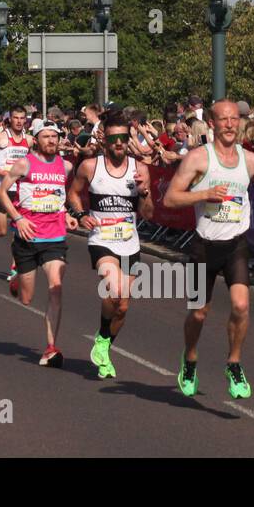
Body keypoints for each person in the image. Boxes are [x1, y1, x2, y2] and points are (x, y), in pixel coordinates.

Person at [163, 100, 254, 400]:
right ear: (212, 124)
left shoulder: (251, 160)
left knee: (241, 306)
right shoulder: (199, 158)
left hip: (236, 244)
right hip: (204, 245)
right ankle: (189, 358)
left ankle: (234, 363)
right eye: (223, 120)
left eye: (234, 119)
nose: (229, 124)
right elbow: (171, 199)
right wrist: (204, 194)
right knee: (199, 313)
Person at [69, 111, 153, 378]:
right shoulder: (90, 167)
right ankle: (103, 340)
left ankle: (103, 342)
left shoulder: (140, 169)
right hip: (102, 239)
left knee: (123, 307)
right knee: (114, 291)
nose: (119, 143)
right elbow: (73, 193)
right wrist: (81, 215)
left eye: (124, 138)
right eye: (114, 138)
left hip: (130, 242)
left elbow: (148, 213)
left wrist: (144, 193)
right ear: (104, 138)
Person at [0, 120, 75, 366]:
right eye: (46, 136)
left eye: (55, 136)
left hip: (55, 237)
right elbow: (1, 192)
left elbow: (60, 196)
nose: (52, 141)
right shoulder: (24, 164)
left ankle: (51, 347)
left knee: (56, 286)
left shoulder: (67, 166)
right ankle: (18, 279)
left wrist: (69, 214)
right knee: (26, 299)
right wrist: (18, 218)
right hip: (27, 237)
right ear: (36, 139)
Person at [0, 106, 32, 294]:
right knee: (1, 231)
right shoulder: (0, 137)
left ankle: (15, 266)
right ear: (10, 119)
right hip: (1, 188)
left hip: (21, 189)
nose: (19, 121)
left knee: (19, 229)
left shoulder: (29, 140)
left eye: (22, 118)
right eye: (16, 118)